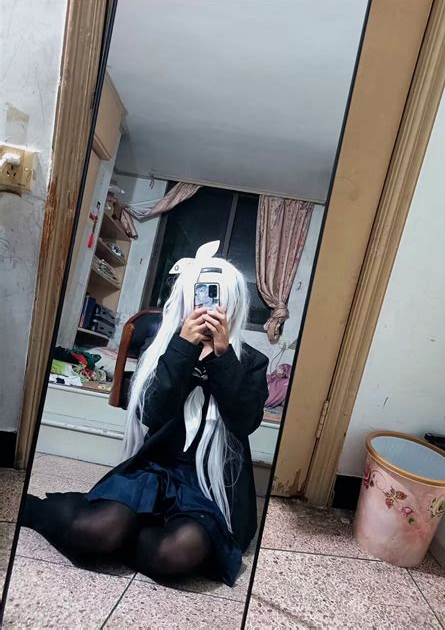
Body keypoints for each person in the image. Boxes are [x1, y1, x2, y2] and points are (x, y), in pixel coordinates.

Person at [23, 241, 269, 586]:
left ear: (234, 305)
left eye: (219, 299)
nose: (210, 308)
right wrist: (182, 347)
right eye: (202, 297)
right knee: (97, 529)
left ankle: (125, 538)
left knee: (175, 553)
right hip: (156, 467)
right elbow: (152, 413)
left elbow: (245, 422)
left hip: (210, 484)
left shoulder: (251, 361)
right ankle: (33, 509)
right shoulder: (163, 348)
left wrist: (222, 356)